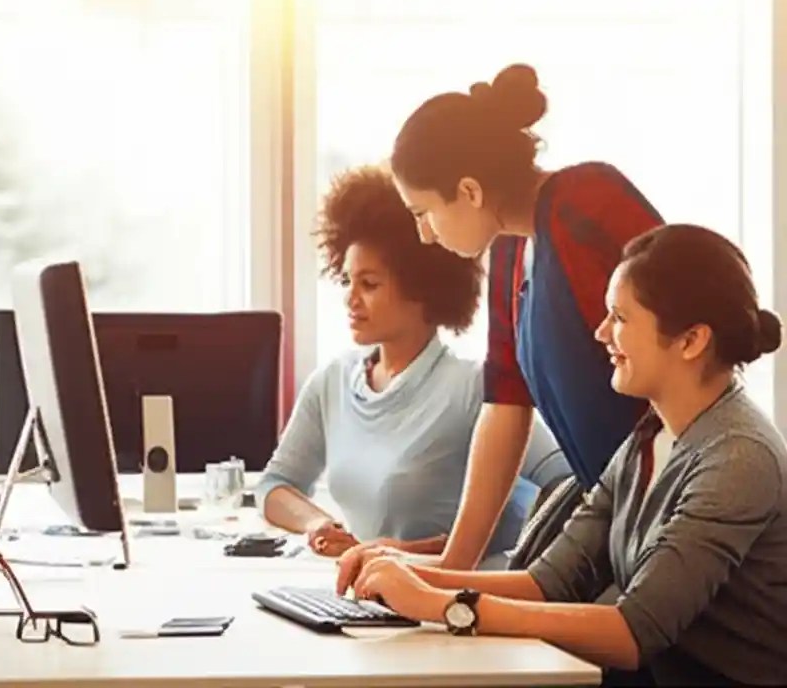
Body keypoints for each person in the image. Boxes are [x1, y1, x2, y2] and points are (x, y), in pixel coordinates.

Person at [337, 224, 787, 686]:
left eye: (620, 318)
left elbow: (634, 631)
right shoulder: (648, 438)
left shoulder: (738, 458)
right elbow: (549, 582)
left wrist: (443, 606)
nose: (600, 332)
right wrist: (405, 577)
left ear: (691, 341)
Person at [343, 64, 665, 572]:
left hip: (672, 509)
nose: (424, 234)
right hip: (617, 516)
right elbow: (504, 408)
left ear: (469, 191)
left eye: (423, 212)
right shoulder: (510, 254)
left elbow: (685, 335)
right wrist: (452, 568)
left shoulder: (587, 201)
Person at [256, 166, 561, 564]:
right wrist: (317, 524)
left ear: (422, 289)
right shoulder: (331, 382)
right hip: (365, 592)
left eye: (369, 284)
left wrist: (430, 553)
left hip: (445, 596)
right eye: (347, 281)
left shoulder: (473, 389)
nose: (350, 300)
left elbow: (567, 484)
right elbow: (275, 486)